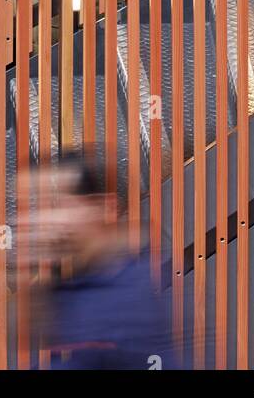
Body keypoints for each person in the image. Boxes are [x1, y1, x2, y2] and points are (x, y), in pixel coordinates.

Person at [20, 152, 186, 370]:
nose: (44, 220)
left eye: (59, 206)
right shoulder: (73, 288)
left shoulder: (131, 293)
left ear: (104, 207)